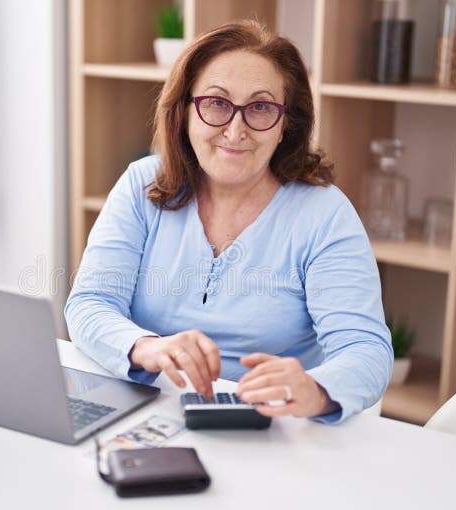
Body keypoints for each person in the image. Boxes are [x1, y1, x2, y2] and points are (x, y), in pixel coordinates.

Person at [64, 20, 392, 423]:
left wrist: (318, 390)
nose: (235, 131)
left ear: (286, 123)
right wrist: (145, 347)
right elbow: (89, 303)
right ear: (185, 111)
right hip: (150, 413)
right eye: (217, 103)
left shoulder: (324, 215)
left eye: (260, 107)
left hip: (271, 428)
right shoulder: (141, 185)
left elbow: (365, 348)